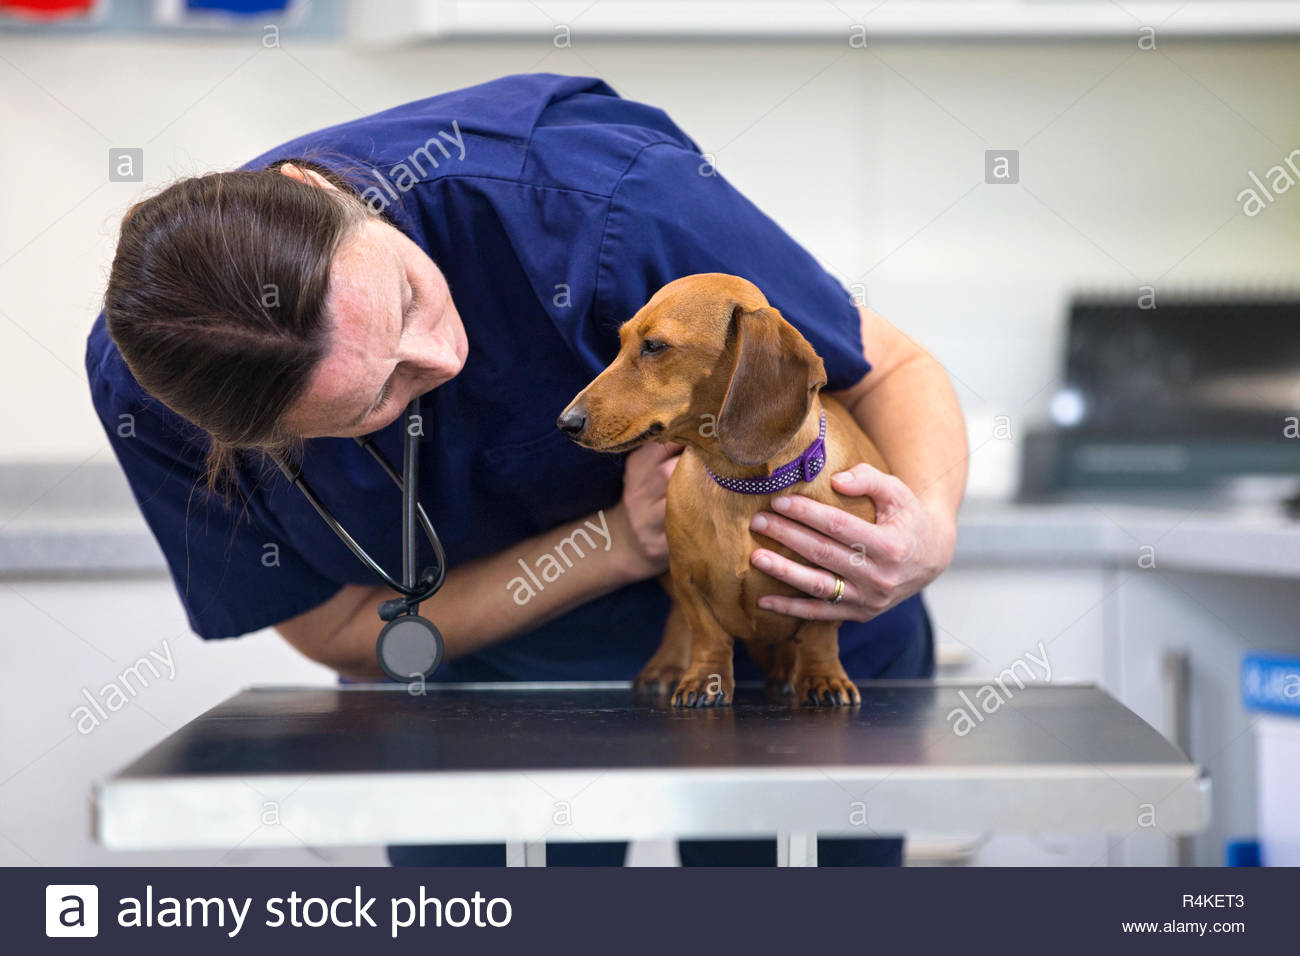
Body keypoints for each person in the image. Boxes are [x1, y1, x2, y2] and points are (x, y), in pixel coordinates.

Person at [85, 72, 968, 867]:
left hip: (791, 638)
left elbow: (891, 369)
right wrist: (619, 540)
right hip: (479, 689)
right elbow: (342, 628)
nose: (439, 356)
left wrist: (925, 531)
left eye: (406, 298)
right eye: (372, 404)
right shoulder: (155, 388)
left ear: (319, 192)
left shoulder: (595, 199)